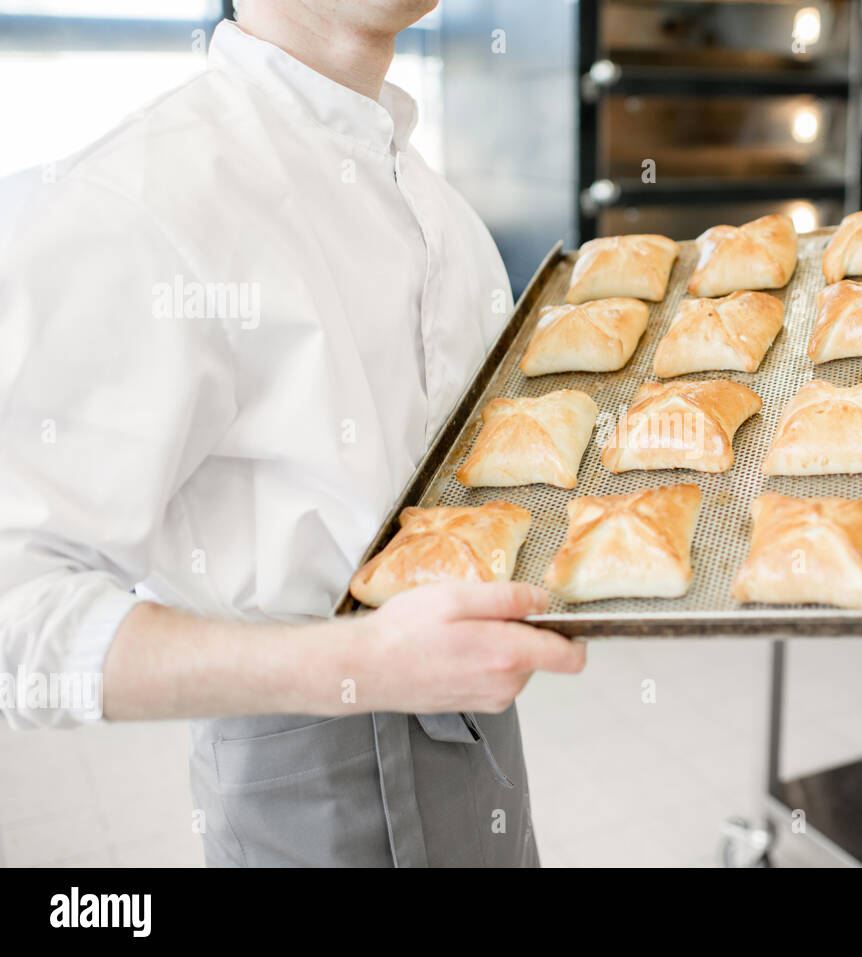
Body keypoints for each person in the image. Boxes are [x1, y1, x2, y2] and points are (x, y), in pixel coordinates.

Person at [0, 0, 585, 867]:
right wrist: (360, 662)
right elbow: (17, 623)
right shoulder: (134, 199)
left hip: (486, 738)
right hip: (310, 781)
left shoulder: (443, 214)